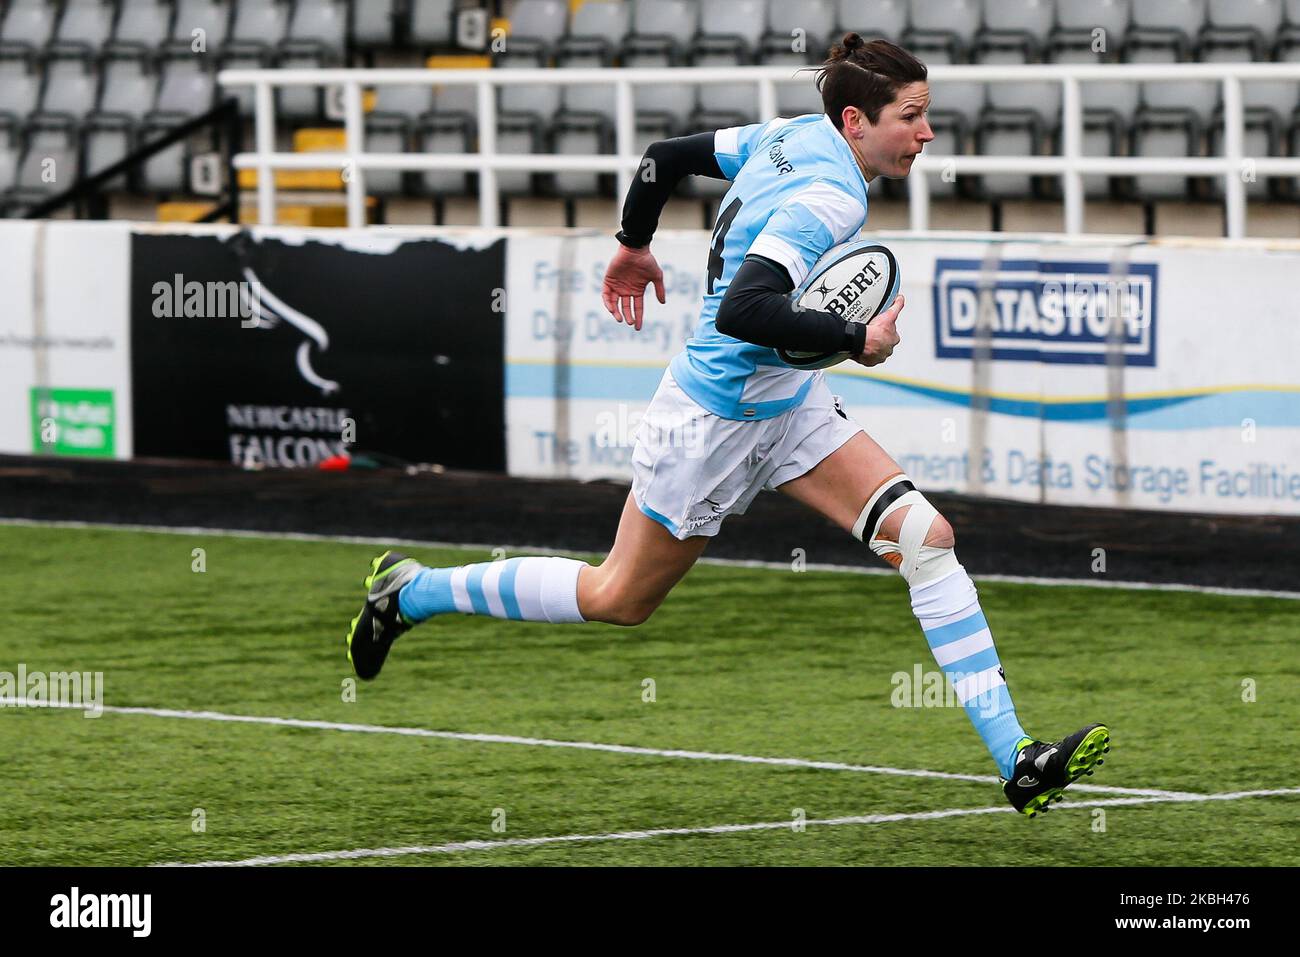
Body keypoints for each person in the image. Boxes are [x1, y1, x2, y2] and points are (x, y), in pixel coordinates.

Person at [345, 34, 1109, 818]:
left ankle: (1018, 758)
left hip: (789, 400)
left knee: (925, 537)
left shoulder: (789, 135)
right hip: (712, 419)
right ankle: (413, 592)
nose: (927, 133)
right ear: (855, 121)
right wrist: (857, 338)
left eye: (926, 115)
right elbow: (745, 309)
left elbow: (664, 158)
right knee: (618, 596)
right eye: (911, 116)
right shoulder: (832, 196)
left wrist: (633, 244)